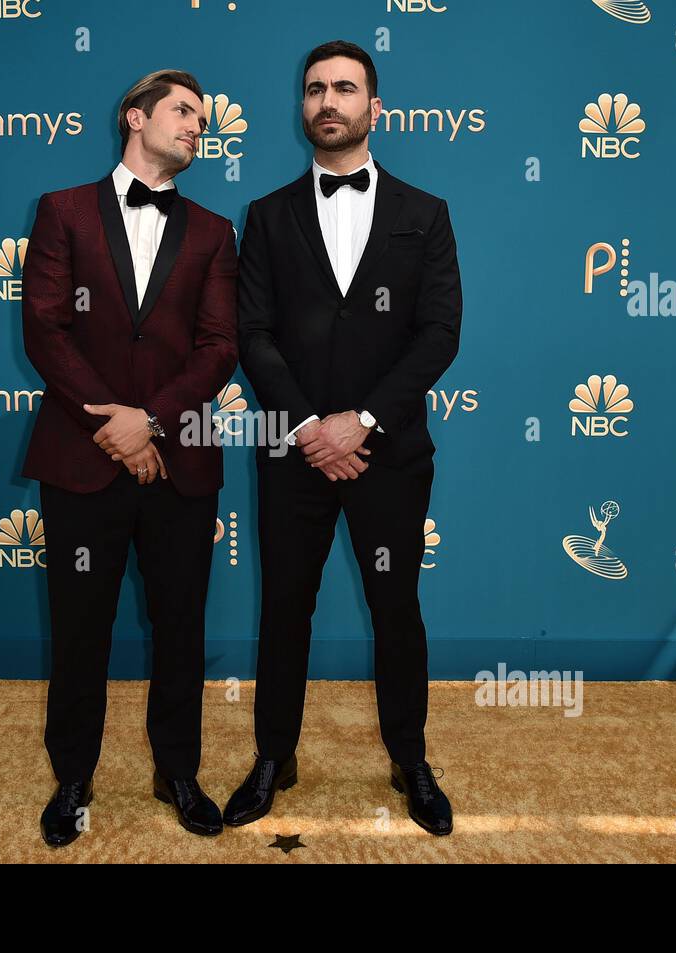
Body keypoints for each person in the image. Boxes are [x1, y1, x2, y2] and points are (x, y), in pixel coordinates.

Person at [227, 40, 463, 835]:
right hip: (294, 454)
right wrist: (307, 427)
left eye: (344, 88)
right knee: (285, 608)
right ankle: (273, 755)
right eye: (315, 89)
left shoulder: (425, 214)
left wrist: (358, 422)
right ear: (302, 107)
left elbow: (439, 334)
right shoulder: (263, 216)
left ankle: (410, 757)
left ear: (374, 108)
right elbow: (252, 334)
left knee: (398, 608)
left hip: (387, 454)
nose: (328, 101)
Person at [18, 69, 238, 847]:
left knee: (181, 625)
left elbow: (219, 348)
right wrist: (113, 425)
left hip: (181, 461)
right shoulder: (63, 211)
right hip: (81, 456)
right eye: (183, 112)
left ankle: (178, 769)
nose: (196, 127)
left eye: (202, 120)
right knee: (80, 626)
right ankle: (72, 777)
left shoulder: (215, 231)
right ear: (133, 117)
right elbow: (46, 330)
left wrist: (149, 421)